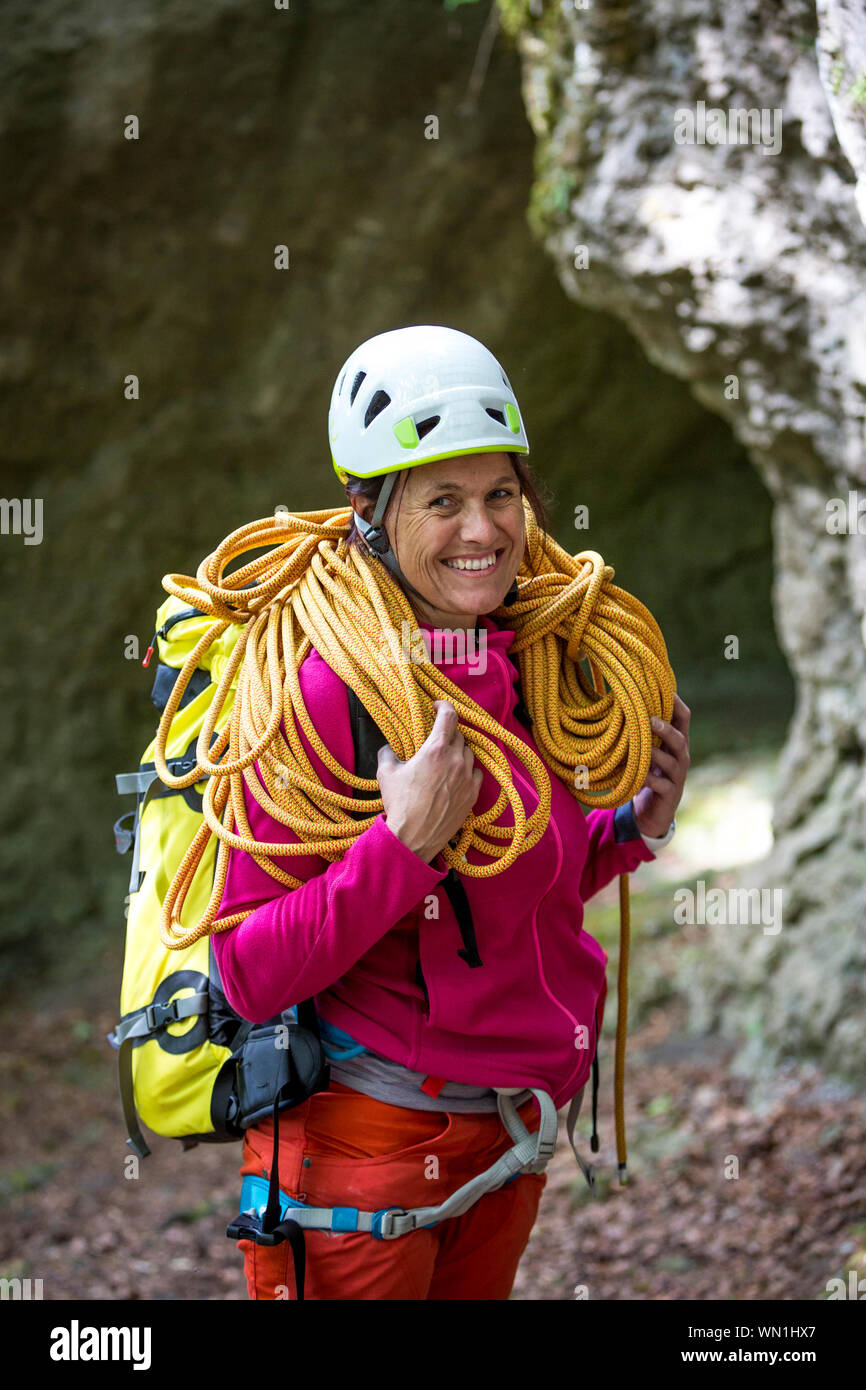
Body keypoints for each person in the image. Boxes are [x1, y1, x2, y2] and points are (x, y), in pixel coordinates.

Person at [212, 325, 690, 1300]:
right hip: (363, 1151)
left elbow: (514, 885)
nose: (483, 530)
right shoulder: (323, 692)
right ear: (371, 514)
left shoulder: (518, 659)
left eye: (499, 494)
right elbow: (248, 972)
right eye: (443, 501)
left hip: (508, 1126)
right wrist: (400, 846)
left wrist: (628, 828)